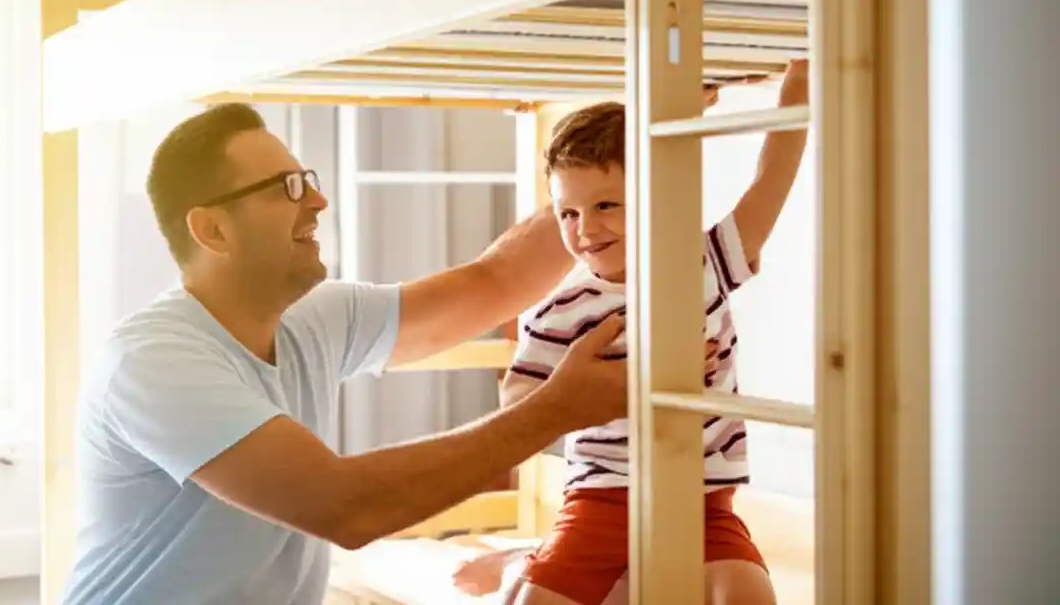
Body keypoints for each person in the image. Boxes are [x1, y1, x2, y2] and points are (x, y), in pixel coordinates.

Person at [57, 103, 629, 604]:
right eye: (287, 189)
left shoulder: (311, 317)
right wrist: (555, 409)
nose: (318, 200)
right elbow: (348, 508)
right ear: (212, 230)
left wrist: (615, 168)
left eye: (306, 179)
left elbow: (496, 282)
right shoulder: (156, 363)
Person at [463, 60, 810, 605]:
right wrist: (594, 385)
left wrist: (798, 93)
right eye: (567, 213)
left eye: (606, 205)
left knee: (748, 596)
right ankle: (526, 557)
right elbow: (516, 398)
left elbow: (771, 181)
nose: (586, 229)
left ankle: (525, 555)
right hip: (601, 499)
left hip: (702, 500)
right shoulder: (564, 308)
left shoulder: (704, 263)